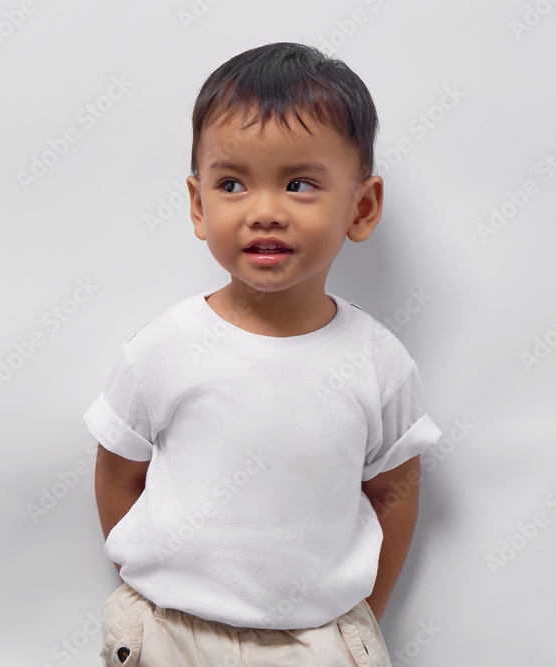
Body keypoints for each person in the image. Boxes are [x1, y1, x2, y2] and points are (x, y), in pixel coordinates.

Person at [83, 42, 443, 666]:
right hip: (172, 635)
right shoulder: (164, 346)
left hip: (317, 642)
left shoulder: (379, 362)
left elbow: (395, 493)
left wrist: (356, 621)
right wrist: (155, 582)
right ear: (199, 205)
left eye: (300, 184)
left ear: (361, 207)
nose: (266, 212)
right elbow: (119, 472)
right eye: (232, 183)